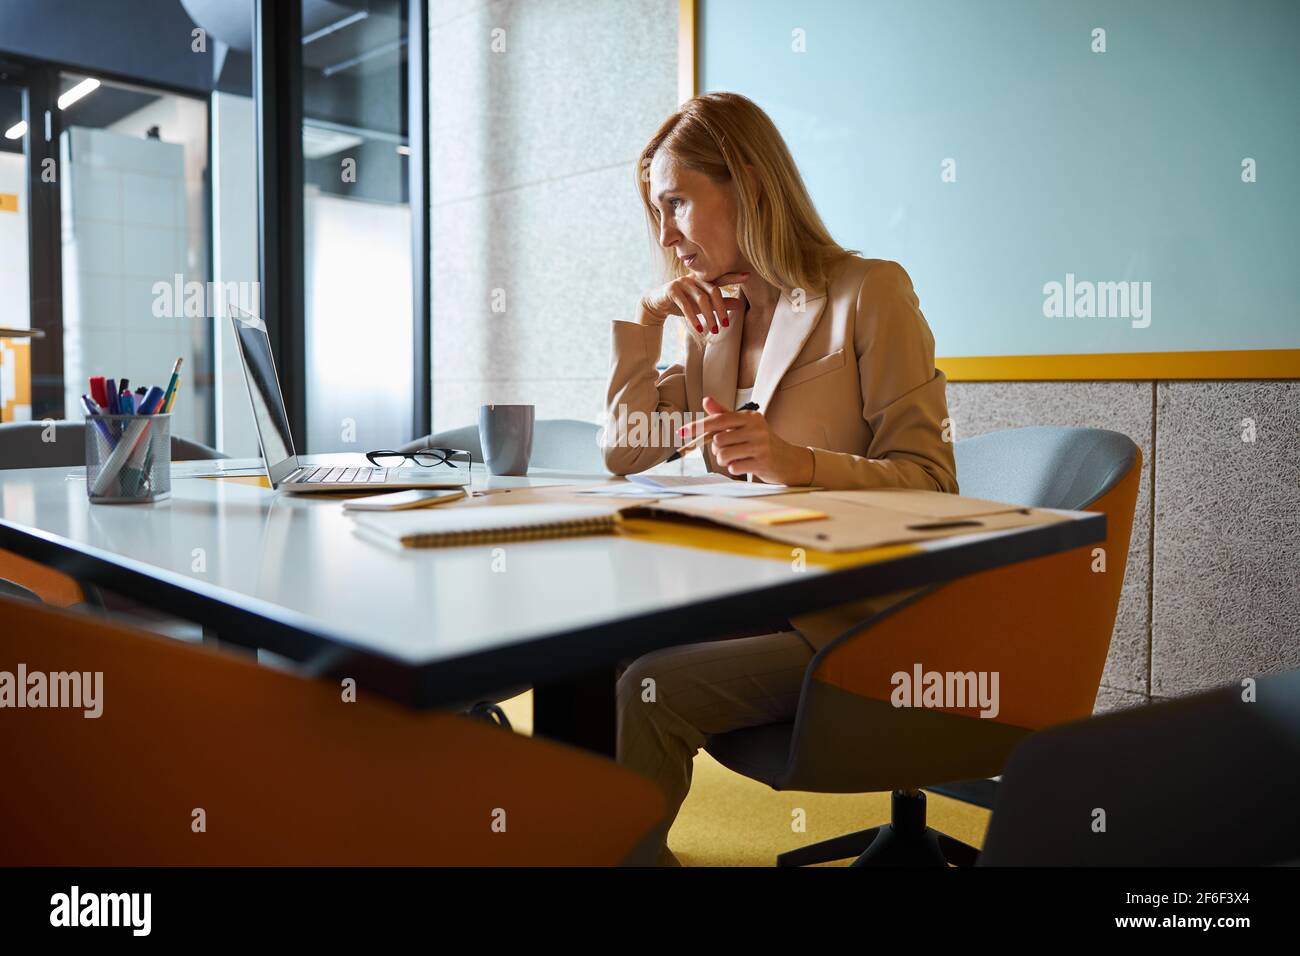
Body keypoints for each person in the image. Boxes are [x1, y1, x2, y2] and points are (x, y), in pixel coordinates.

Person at [602, 92, 959, 866]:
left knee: (646, 689)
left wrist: (797, 465)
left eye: (676, 205)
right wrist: (646, 317)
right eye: (655, 215)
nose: (665, 236)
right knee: (596, 646)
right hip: (750, 597)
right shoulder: (714, 323)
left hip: (857, 617)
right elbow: (626, 450)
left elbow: (932, 483)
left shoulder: (870, 293)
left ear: (750, 185)